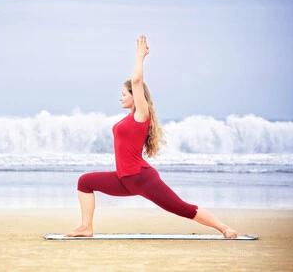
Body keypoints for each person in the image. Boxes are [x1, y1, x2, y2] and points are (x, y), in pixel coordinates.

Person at [66, 35, 238, 239]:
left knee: (182, 208)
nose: (120, 97)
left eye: (123, 93)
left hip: (142, 178)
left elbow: (137, 81)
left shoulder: (141, 114)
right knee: (85, 182)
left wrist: (140, 56)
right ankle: (86, 227)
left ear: (135, 96)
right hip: (124, 179)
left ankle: (224, 228)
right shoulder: (128, 118)